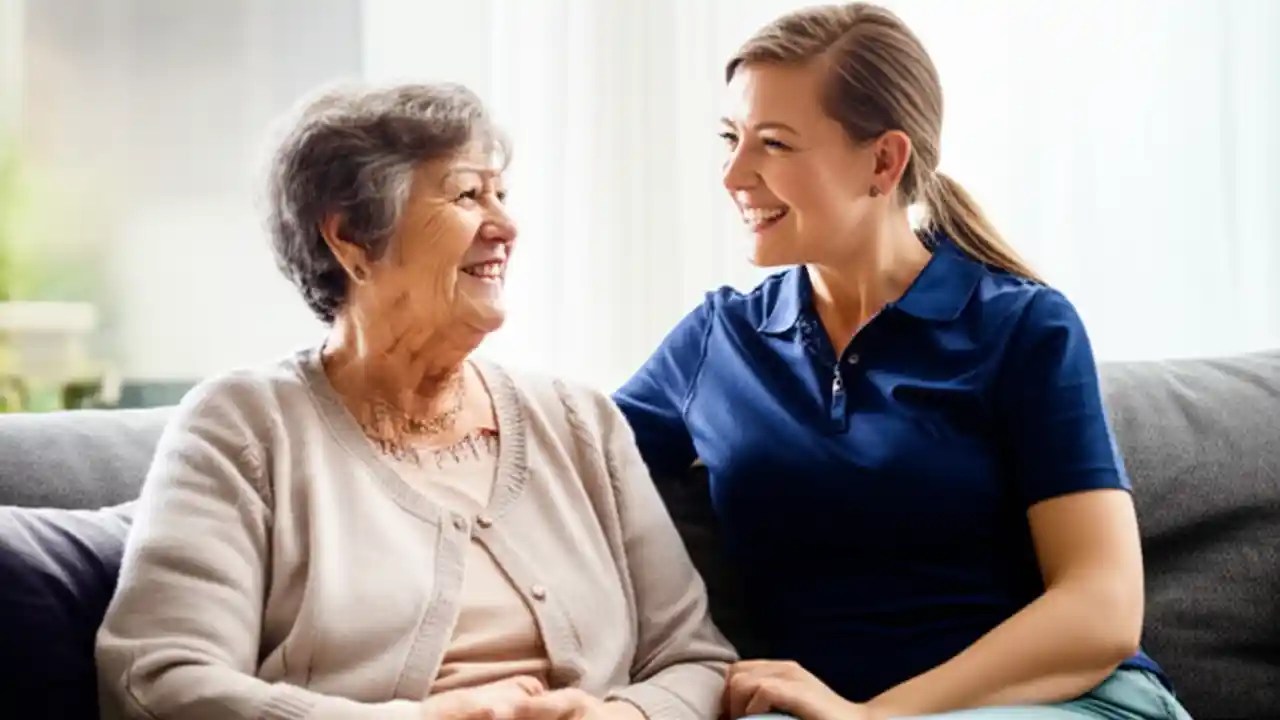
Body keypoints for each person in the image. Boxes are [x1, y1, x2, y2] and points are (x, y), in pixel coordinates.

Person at [613, 4, 1192, 719]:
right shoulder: (715, 344)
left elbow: (1100, 612)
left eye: (775, 144)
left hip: (1073, 704)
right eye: (731, 138)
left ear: (884, 162)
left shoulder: (1022, 327)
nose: (734, 174)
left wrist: (871, 717)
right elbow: (562, 464)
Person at [96, 82, 735, 720]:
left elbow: (694, 659)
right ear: (350, 238)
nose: (507, 226)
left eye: (502, 195)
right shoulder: (245, 425)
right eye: (467, 195)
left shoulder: (579, 420)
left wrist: (622, 716)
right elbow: (160, 681)